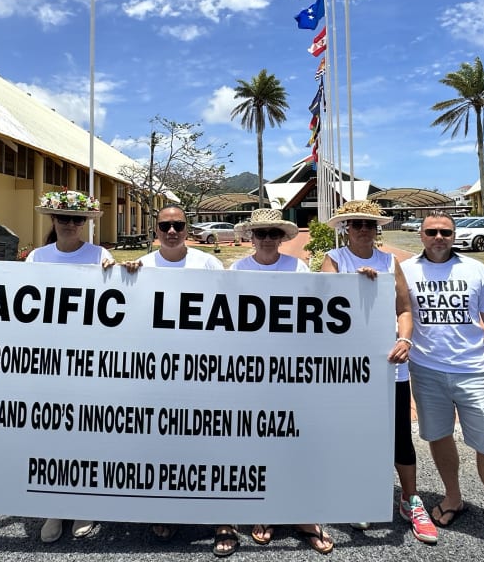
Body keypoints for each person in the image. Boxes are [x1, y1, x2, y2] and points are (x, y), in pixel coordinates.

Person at [400, 211, 484, 562]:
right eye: (431, 232)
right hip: (425, 372)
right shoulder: (407, 270)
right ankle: (452, 496)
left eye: (445, 232)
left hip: (472, 371)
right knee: (438, 437)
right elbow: (394, 309)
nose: (438, 237)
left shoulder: (474, 269)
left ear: (454, 235)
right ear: (420, 235)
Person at [321, 200, 438, 545]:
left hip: (388, 361)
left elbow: (404, 308)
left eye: (369, 224)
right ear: (346, 228)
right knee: (354, 430)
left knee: (399, 432)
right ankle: (360, 494)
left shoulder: (390, 262)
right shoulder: (335, 259)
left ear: (377, 229)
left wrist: (405, 339)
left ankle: (410, 498)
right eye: (356, 224)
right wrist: (353, 283)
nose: (362, 230)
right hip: (349, 364)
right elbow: (326, 298)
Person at [125, 205, 236, 557]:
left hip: (204, 369)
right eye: (164, 226)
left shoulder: (209, 264)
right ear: (155, 229)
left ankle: (223, 519)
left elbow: (230, 308)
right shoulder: (140, 266)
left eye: (178, 225)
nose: (171, 231)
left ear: (187, 228)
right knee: (162, 442)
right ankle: (166, 509)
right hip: (156, 372)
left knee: (214, 442)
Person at [232, 209, 333, 555]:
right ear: (250, 237)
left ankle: (304, 512)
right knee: (259, 439)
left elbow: (316, 308)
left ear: (282, 236)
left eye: (272, 233)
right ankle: (266, 508)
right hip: (250, 368)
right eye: (260, 233)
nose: (266, 239)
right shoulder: (238, 270)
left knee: (296, 439)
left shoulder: (297, 268)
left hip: (291, 367)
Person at [25, 189, 112, 542]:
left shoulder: (100, 255)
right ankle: (53, 507)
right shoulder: (36, 257)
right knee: (52, 433)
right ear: (53, 220)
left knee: (87, 432)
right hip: (49, 360)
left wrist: (122, 273)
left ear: (86, 222)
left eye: (78, 219)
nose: (71, 224)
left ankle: (84, 503)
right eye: (65, 218)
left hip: (91, 359)